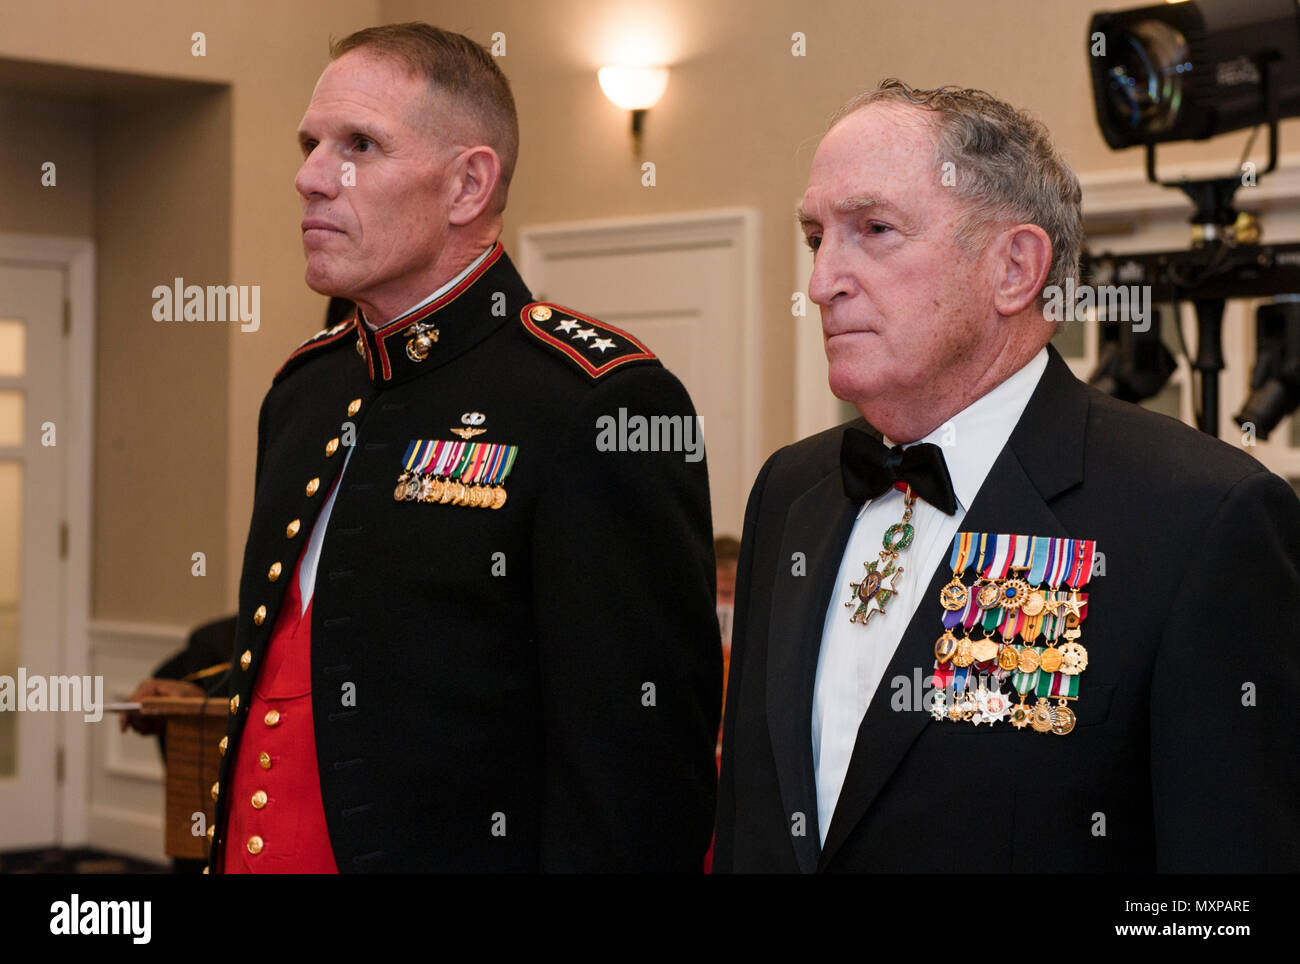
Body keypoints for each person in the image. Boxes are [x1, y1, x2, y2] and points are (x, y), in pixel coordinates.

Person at [714, 79, 1300, 873]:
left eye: (875, 228)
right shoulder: (792, 490)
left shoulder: (1198, 516)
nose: (822, 282)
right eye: (818, 237)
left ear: (1015, 267)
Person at [207, 23, 720, 873]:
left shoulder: (592, 400)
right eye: (310, 145)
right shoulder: (306, 390)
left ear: (467, 184)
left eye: (359, 145)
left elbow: (638, 780)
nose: (307, 178)